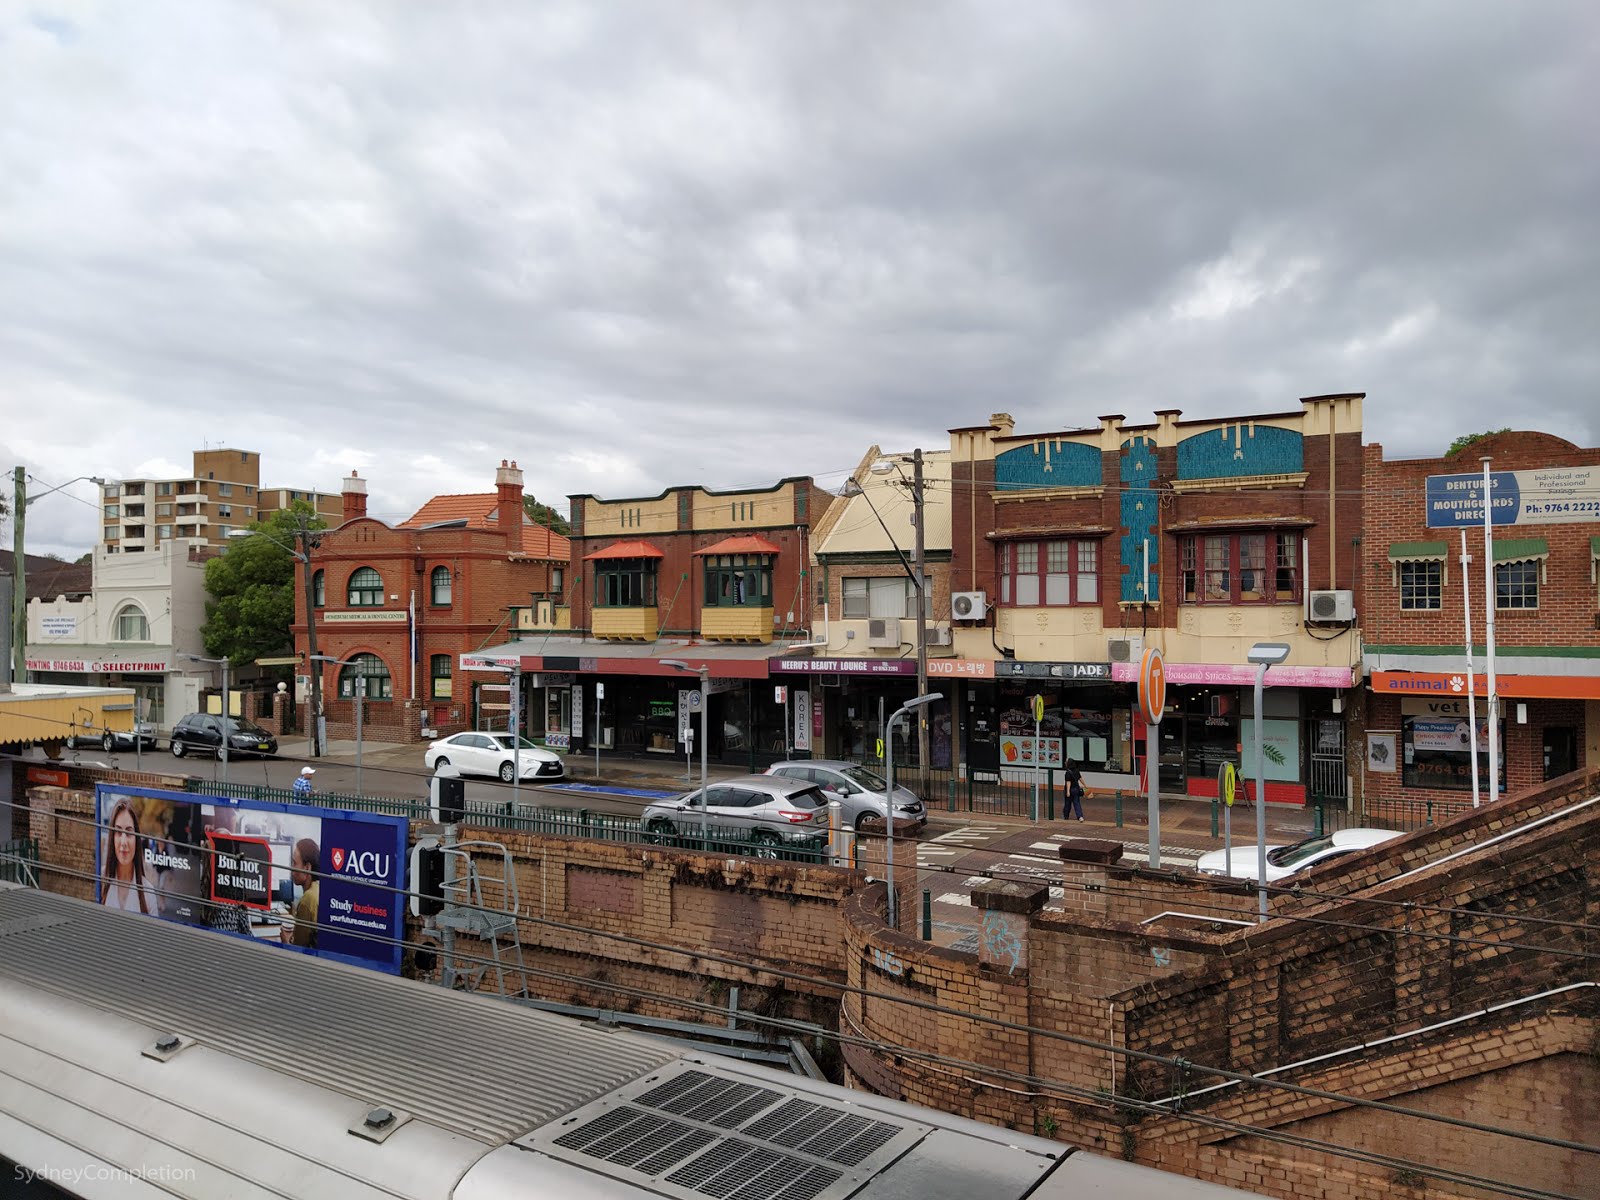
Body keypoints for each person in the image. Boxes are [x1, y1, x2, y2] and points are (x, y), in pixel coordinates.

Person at [101, 797, 157, 914]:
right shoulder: (100, 879)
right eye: (118, 832)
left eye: (129, 832)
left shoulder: (148, 893)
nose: (123, 842)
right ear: (112, 837)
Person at [280, 837, 320, 950]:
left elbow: (297, 952)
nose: (291, 868)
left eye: (294, 863)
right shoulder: (318, 888)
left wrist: (285, 941)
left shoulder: (308, 899)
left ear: (307, 867)